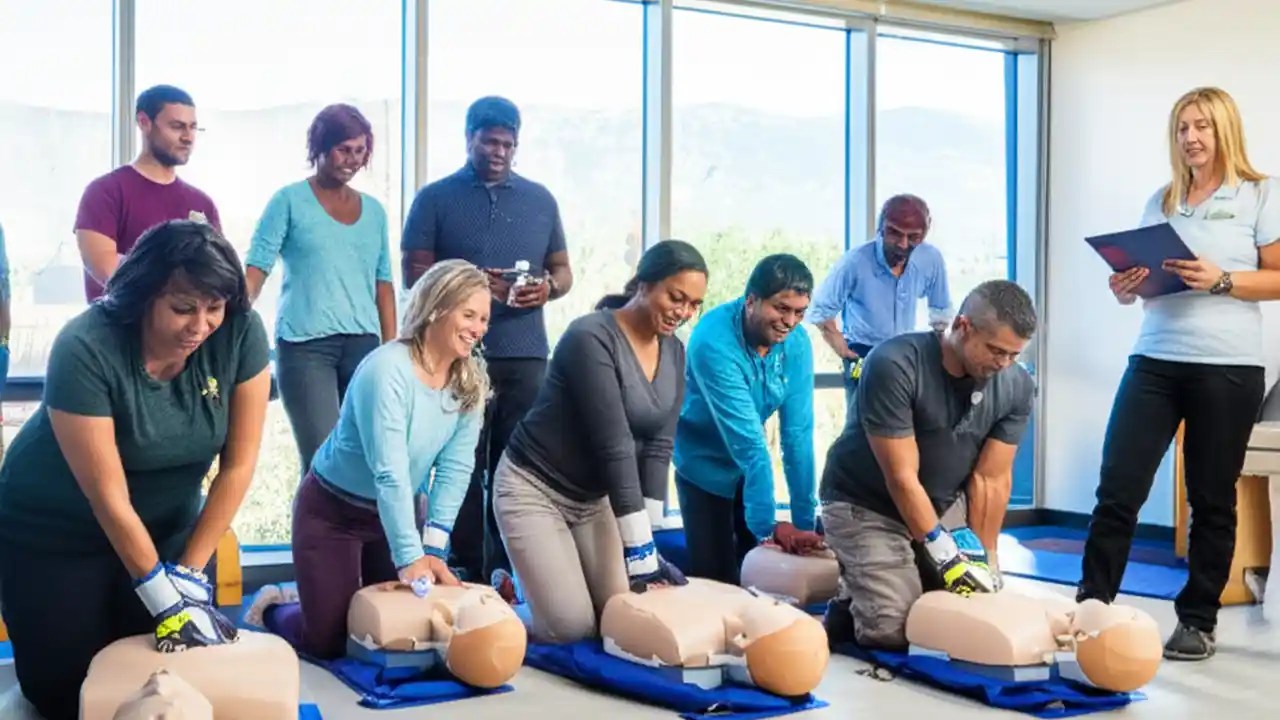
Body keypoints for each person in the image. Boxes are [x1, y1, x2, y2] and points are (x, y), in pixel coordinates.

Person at [0, 220, 271, 720]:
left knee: (175, 677)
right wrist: (156, 592)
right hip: (56, 531)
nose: (201, 325)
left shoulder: (240, 332)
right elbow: (108, 497)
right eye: (182, 308)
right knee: (70, 696)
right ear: (143, 296)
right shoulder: (86, 345)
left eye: (214, 308)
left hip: (169, 529)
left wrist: (186, 577)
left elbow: (238, 464)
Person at [1079, 86, 1280, 662]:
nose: (1190, 137)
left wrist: (1220, 280)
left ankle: (1197, 620)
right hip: (1156, 358)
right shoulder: (1163, 199)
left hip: (1228, 366)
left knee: (1211, 499)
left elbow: (1279, 278)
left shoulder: (1260, 193)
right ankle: (1091, 606)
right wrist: (1126, 286)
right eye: (1181, 128)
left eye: (1201, 127)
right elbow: (1146, 284)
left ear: (1224, 131)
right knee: (1118, 489)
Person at [242, 260, 489, 660]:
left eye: (483, 319)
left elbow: (456, 469)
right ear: (437, 308)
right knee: (330, 641)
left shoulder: (470, 382)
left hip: (395, 515)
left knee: (391, 630)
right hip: (331, 511)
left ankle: (325, 591)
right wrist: (410, 559)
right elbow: (389, 473)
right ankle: (274, 605)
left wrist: (433, 551)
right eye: (469, 315)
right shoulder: (386, 369)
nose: (478, 328)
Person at [401, 95, 573, 589]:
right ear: (469, 137)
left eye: (508, 143)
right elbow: (415, 274)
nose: (499, 151)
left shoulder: (540, 200)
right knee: (459, 461)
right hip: (455, 355)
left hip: (525, 352)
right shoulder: (435, 198)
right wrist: (472, 283)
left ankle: (508, 569)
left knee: (515, 463)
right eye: (490, 141)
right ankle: (462, 565)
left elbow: (563, 271)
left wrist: (549, 288)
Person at [493, 240, 705, 642]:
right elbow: (616, 445)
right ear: (643, 283)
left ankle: (538, 584)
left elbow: (660, 444)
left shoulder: (675, 352)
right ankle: (509, 596)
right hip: (533, 491)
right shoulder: (589, 336)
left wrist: (651, 543)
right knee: (571, 628)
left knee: (618, 612)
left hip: (595, 501)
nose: (684, 312)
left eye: (694, 304)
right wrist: (637, 551)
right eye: (676, 297)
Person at [820, 279, 1036, 651]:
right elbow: (901, 478)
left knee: (966, 605)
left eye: (1014, 355)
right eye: (996, 350)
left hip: (942, 502)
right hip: (865, 505)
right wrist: (940, 549)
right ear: (963, 326)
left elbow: (991, 479)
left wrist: (985, 561)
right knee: (895, 628)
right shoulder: (895, 362)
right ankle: (849, 597)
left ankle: (908, 570)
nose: (1004, 364)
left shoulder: (1015, 384)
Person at [245, 104, 398, 478]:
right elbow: (256, 269)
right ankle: (311, 539)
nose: (352, 160)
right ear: (321, 147)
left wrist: (391, 351)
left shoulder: (375, 212)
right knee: (321, 463)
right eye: (344, 149)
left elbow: (383, 284)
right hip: (305, 346)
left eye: (360, 151)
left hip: (363, 346)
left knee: (364, 460)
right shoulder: (289, 200)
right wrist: (226, 322)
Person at [673, 254, 825, 585]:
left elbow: (797, 435)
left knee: (759, 578)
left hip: (749, 473)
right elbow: (751, 446)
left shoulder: (797, 342)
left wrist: (803, 524)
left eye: (799, 312)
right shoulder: (712, 342)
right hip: (704, 469)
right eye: (781, 308)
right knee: (717, 583)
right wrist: (767, 529)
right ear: (751, 301)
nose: (789, 321)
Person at [809, 195, 952, 423]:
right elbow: (820, 310)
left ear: (925, 232)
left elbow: (941, 311)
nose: (904, 244)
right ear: (881, 227)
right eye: (895, 233)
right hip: (860, 354)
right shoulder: (854, 262)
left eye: (913, 237)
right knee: (859, 422)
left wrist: (936, 357)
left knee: (906, 423)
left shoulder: (931, 258)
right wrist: (844, 351)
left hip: (906, 353)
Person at [74, 85, 220, 302]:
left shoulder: (202, 203)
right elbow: (107, 269)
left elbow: (217, 275)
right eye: (177, 126)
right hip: (118, 330)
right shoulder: (105, 192)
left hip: (186, 333)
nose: (188, 137)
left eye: (193, 127)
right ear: (144, 122)